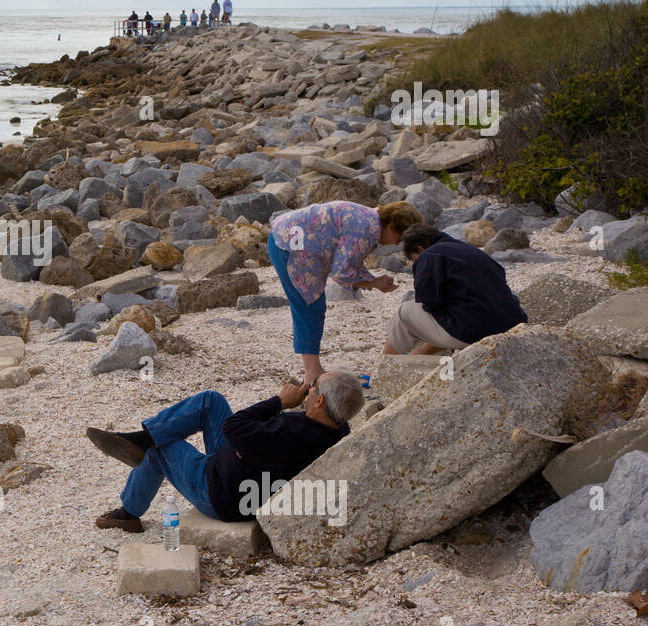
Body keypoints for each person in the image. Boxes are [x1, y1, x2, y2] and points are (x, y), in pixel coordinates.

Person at [86, 373, 365, 531]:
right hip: (239, 471)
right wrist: (249, 448)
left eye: (313, 386)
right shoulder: (337, 430)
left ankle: (128, 513)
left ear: (318, 400)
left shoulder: (291, 434)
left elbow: (234, 427)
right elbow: (250, 437)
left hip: (219, 493)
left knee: (160, 447)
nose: (308, 387)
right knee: (211, 401)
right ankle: (139, 439)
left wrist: (279, 401)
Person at [268, 200, 423, 386]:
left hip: (287, 236)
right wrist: (374, 282)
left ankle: (313, 370)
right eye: (399, 237)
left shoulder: (368, 218)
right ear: (391, 225)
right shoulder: (366, 229)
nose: (397, 243)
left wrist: (373, 280)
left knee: (310, 306)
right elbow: (341, 272)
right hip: (290, 246)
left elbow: (349, 258)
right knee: (309, 306)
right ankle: (311, 374)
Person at [384, 224, 528, 355]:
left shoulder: (429, 256)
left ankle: (383, 370)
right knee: (456, 315)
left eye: (414, 259)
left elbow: (429, 303)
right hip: (513, 324)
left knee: (404, 314)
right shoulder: (471, 250)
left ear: (419, 249)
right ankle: (422, 355)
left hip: (477, 331)